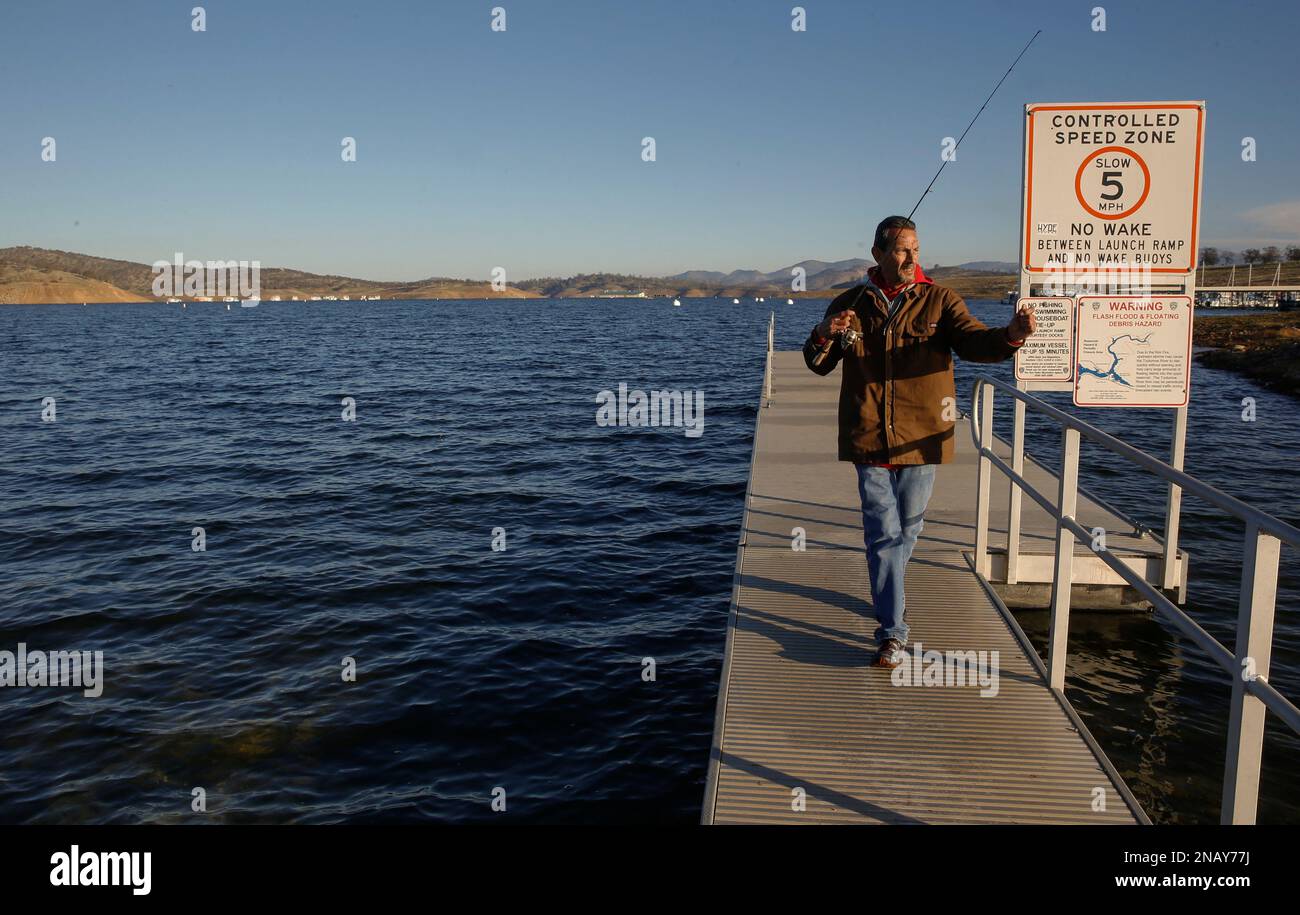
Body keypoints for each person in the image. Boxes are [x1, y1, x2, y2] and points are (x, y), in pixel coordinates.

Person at [803, 215, 1037, 668]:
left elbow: (973, 342)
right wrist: (822, 334)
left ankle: (892, 595)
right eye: (901, 250)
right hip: (868, 435)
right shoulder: (849, 303)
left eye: (915, 249)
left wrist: (1011, 336)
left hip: (923, 436)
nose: (911, 258)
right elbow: (817, 363)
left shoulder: (940, 300)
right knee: (883, 534)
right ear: (878, 254)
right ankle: (893, 632)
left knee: (907, 530)